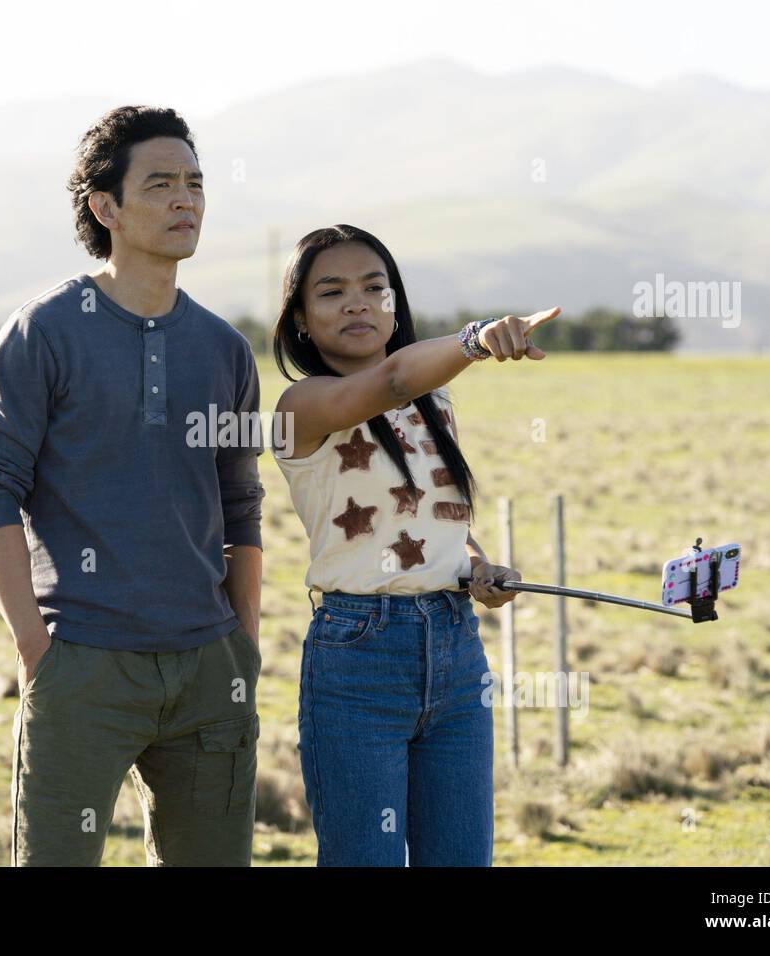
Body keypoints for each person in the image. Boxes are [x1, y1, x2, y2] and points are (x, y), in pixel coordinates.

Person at [0, 106, 265, 866]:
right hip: (83, 665)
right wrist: (38, 652)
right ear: (106, 207)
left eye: (195, 183)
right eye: (160, 183)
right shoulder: (45, 333)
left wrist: (243, 643)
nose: (185, 200)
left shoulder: (223, 348)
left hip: (207, 670)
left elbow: (241, 505)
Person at [271, 224, 557, 866]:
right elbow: (392, 380)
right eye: (333, 291)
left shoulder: (433, 398)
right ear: (300, 320)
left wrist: (478, 566)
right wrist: (475, 339)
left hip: (456, 653)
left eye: (376, 288)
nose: (358, 303)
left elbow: (436, 511)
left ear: (395, 304)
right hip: (358, 660)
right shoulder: (303, 405)